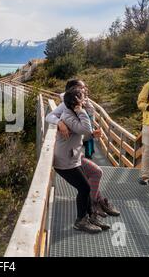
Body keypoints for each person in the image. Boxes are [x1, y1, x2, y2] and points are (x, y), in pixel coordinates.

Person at [46, 79, 120, 217]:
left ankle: (96, 203)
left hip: (75, 151)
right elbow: (50, 116)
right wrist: (60, 123)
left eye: (85, 87)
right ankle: (92, 206)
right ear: (73, 91)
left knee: (93, 175)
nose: (85, 90)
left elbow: (79, 132)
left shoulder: (83, 103)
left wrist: (92, 134)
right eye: (81, 88)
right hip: (69, 156)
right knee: (87, 184)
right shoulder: (67, 106)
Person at [52, 87, 110, 233]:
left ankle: (91, 216)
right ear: (76, 102)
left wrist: (93, 135)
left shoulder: (71, 114)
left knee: (86, 187)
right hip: (65, 161)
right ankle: (80, 221)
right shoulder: (69, 116)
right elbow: (84, 129)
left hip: (73, 158)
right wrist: (81, 111)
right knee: (84, 188)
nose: (86, 100)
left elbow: (80, 134)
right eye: (83, 98)